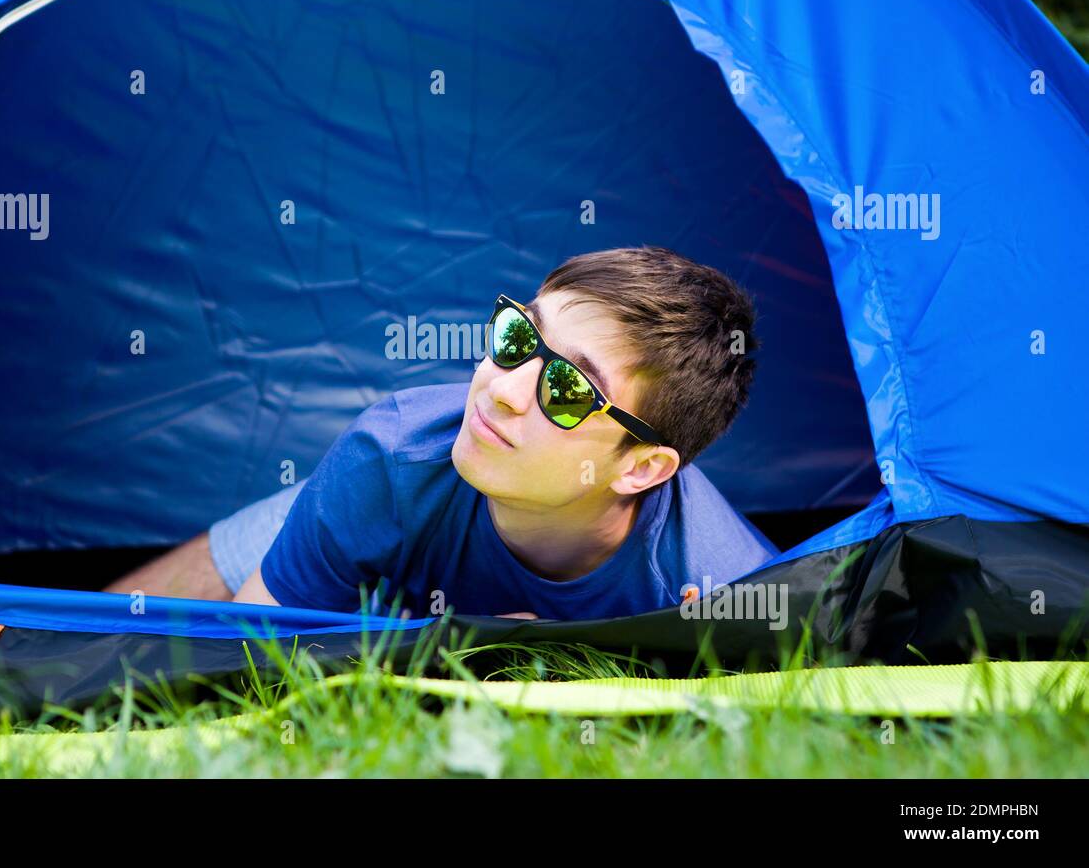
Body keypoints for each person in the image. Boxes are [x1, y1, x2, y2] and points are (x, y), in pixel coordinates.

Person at [104, 245, 778, 620]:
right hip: (403, 500)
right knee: (114, 617)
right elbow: (249, 659)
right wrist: (449, 649)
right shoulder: (391, 452)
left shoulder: (715, 587)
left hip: (424, 508)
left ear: (640, 469)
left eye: (569, 389)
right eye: (520, 336)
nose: (499, 388)